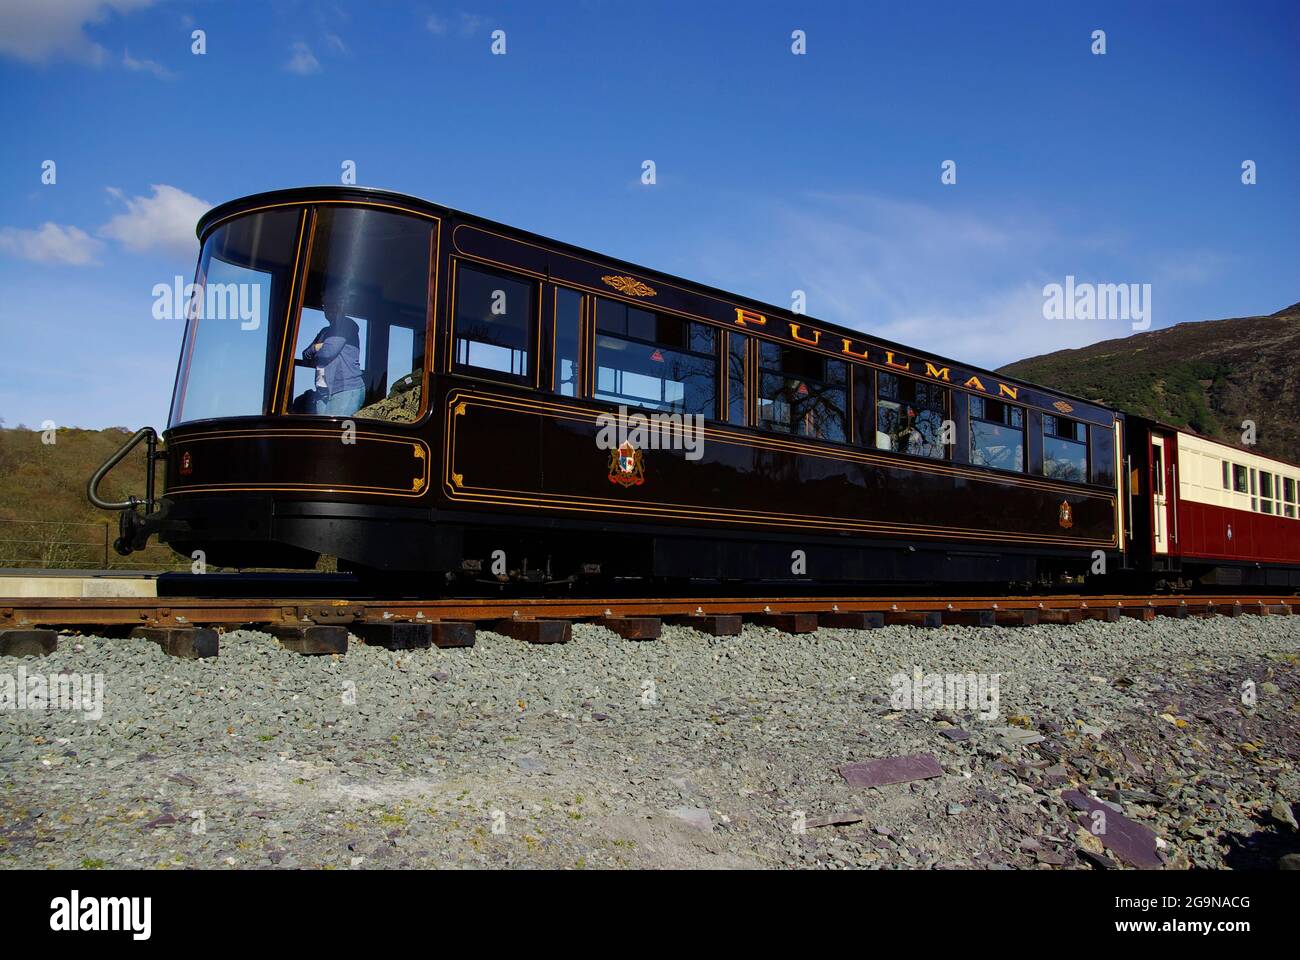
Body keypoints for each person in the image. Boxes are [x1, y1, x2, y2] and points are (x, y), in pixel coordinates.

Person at [302, 288, 365, 415]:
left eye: (333, 304)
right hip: (322, 392)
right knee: (322, 433)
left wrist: (317, 349)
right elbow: (305, 355)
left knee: (333, 433)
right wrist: (316, 347)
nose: (329, 308)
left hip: (345, 389)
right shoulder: (324, 332)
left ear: (341, 306)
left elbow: (329, 351)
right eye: (326, 305)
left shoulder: (347, 324)